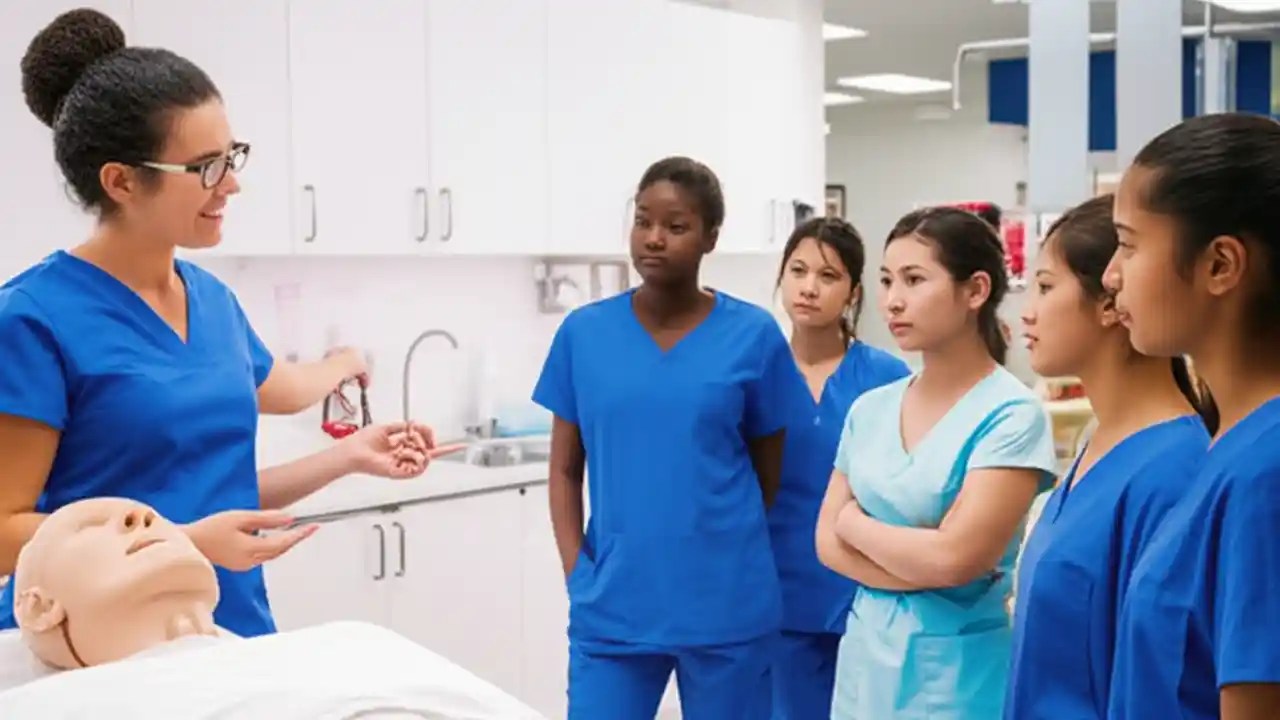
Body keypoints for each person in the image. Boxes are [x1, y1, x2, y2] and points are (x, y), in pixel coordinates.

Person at [0, 9, 440, 639]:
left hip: (222, 632)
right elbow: (3, 531)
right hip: (89, 657)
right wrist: (181, 543)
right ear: (121, 181)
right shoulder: (32, 320)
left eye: (232, 156)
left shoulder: (211, 301)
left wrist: (347, 456)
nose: (231, 184)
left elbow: (225, 481)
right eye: (206, 166)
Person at [532, 156, 796, 719]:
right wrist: (577, 569)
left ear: (709, 238)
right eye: (643, 220)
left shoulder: (752, 336)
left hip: (727, 608)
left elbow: (767, 472)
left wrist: (716, 546)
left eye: (676, 227)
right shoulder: (585, 334)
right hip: (615, 607)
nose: (654, 239)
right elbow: (563, 469)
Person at [814, 206, 1058, 719]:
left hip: (957, 677)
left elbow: (956, 559)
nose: (893, 300)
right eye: (886, 280)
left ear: (975, 291)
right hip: (865, 664)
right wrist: (925, 563)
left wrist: (854, 521)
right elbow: (824, 542)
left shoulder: (1011, 415)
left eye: (914, 279)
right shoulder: (871, 408)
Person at [1, 496, 546, 719]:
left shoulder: (346, 646)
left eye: (150, 516)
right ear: (38, 607)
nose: (139, 519)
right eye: (92, 526)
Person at [1005, 195, 1215, 719]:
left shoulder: (1174, 472)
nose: (1027, 311)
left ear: (1110, 300)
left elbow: (1165, 683)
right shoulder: (1098, 445)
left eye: (1047, 287)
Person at [1104, 113, 1280, 720]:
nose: (1111, 275)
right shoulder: (1231, 446)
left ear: (1221, 265)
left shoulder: (1265, 473)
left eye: (1128, 245)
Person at [767, 217, 909, 718]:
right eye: (798, 270)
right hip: (773, 599)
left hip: (863, 593)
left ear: (853, 292)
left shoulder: (888, 380)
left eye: (828, 277)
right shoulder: (753, 373)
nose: (809, 287)